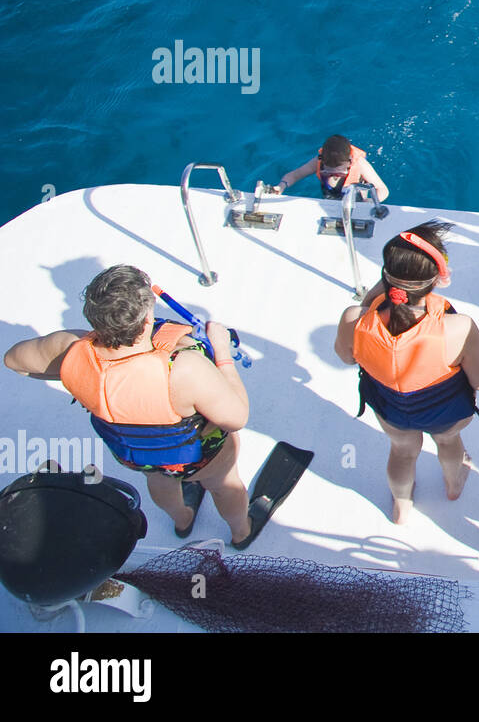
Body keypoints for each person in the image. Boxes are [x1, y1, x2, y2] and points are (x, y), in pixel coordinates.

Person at [3, 266, 255, 546]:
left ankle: (182, 520)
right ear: (148, 319)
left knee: (160, 479)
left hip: (140, 457)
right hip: (199, 457)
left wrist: (71, 377)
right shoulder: (184, 369)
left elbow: (14, 362)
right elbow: (236, 418)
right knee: (225, 485)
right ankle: (241, 531)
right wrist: (222, 353)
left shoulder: (67, 348)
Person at [334, 221, 479, 523]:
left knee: (402, 451)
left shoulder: (353, 319)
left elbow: (346, 358)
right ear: (436, 279)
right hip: (445, 410)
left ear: (386, 275)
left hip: (390, 408)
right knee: (449, 445)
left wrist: (372, 298)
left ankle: (401, 505)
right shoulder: (458, 327)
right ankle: (453, 485)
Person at [274, 133, 389, 201]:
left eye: (339, 171)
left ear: (350, 160)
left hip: (357, 199)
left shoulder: (360, 164)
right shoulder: (317, 162)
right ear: (322, 160)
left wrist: (371, 202)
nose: (334, 175)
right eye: (329, 170)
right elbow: (294, 175)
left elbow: (383, 189)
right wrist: (281, 186)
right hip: (330, 197)